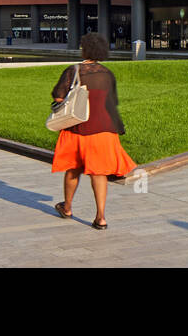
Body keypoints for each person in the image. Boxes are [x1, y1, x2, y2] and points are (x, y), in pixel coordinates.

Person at [51, 33, 135, 228]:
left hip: (78, 128)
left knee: (73, 169)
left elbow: (58, 97)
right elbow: (112, 104)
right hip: (105, 130)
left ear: (85, 49)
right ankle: (101, 218)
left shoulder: (74, 70)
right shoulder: (108, 73)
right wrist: (118, 129)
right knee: (100, 173)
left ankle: (68, 207)